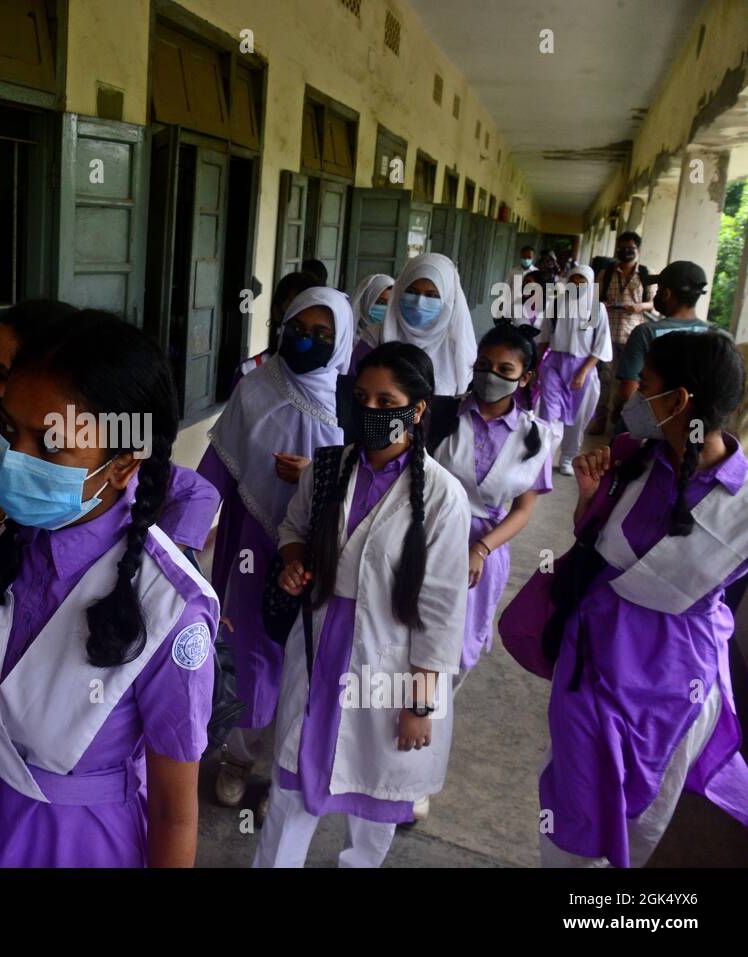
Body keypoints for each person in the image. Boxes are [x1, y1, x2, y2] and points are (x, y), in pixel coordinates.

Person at [0, 300, 219, 866]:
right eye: (10, 431)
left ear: (124, 465)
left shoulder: (170, 611)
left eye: (51, 444)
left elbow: (176, 813)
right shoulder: (2, 527)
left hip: (74, 842)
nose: (15, 459)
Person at [254, 342, 469, 868]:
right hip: (321, 643)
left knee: (376, 792)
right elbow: (292, 528)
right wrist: (294, 559)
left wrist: (419, 704)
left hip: (390, 664)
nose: (370, 410)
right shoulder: (328, 469)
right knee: (293, 781)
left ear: (417, 411)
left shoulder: (443, 498)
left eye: (386, 400)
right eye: (361, 397)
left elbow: (441, 609)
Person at [540, 331, 748, 867]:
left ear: (678, 401)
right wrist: (588, 500)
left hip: (677, 682)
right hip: (595, 661)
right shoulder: (633, 457)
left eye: (645, 386)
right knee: (572, 810)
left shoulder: (742, 502)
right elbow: (596, 543)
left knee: (645, 817)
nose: (631, 397)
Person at [197, 287, 354, 810]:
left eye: (323, 334)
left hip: (323, 548)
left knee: (306, 657)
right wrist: (181, 536)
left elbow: (370, 479)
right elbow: (217, 466)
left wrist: (317, 474)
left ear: (342, 342)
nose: (307, 340)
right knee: (249, 651)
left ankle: (287, 770)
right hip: (251, 541)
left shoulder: (356, 404)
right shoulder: (255, 387)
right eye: (298, 328)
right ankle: (238, 757)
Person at [432, 325, 553, 683]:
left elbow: (522, 510)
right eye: (484, 365)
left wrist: (481, 550)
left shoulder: (536, 437)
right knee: (414, 630)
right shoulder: (442, 415)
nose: (491, 375)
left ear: (526, 377)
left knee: (460, 646)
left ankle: (436, 725)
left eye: (505, 370)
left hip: (484, 549)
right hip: (430, 533)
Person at [536, 264, 614, 473]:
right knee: (548, 414)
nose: (577, 285)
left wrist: (583, 372)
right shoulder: (555, 304)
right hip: (554, 364)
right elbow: (544, 337)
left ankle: (568, 458)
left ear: (590, 284)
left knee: (576, 418)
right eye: (574, 281)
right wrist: (536, 366)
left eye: (582, 282)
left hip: (582, 367)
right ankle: (544, 458)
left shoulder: (597, 308)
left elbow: (600, 344)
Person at [613, 262, 711, 420]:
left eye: (657, 290)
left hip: (647, 426)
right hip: (694, 427)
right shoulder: (716, 335)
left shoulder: (646, 332)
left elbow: (628, 391)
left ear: (666, 294)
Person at [379, 252, 478, 397]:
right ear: (399, 290)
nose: (419, 302)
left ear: (448, 300)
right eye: (411, 292)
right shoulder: (375, 337)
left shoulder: (458, 346)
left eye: (432, 296)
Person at [589, 231, 655, 435]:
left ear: (638, 250)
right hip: (606, 335)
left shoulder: (646, 274)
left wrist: (639, 307)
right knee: (603, 379)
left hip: (633, 339)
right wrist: (602, 306)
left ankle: (618, 413)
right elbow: (592, 301)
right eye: (622, 248)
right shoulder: (606, 273)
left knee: (627, 382)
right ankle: (599, 418)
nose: (626, 252)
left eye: (631, 249)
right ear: (616, 249)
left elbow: (655, 304)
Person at [231, 270, 323, 390]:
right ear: (277, 312)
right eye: (295, 308)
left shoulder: (330, 377)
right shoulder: (250, 371)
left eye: (312, 309)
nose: (305, 318)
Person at [348, 273, 394, 374]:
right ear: (366, 300)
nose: (386, 309)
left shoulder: (393, 337)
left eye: (390, 303)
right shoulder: (346, 336)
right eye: (380, 303)